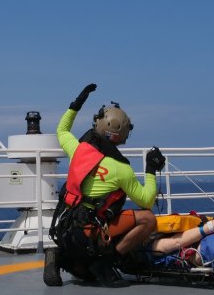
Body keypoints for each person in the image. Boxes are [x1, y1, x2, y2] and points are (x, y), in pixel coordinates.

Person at [45, 83, 165, 288]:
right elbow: (147, 200)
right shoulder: (120, 169)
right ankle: (106, 262)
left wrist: (76, 104)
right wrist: (151, 169)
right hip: (89, 233)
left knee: (84, 272)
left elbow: (62, 130)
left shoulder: (79, 150)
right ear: (119, 135)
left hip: (65, 227)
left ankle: (59, 255)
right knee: (147, 219)